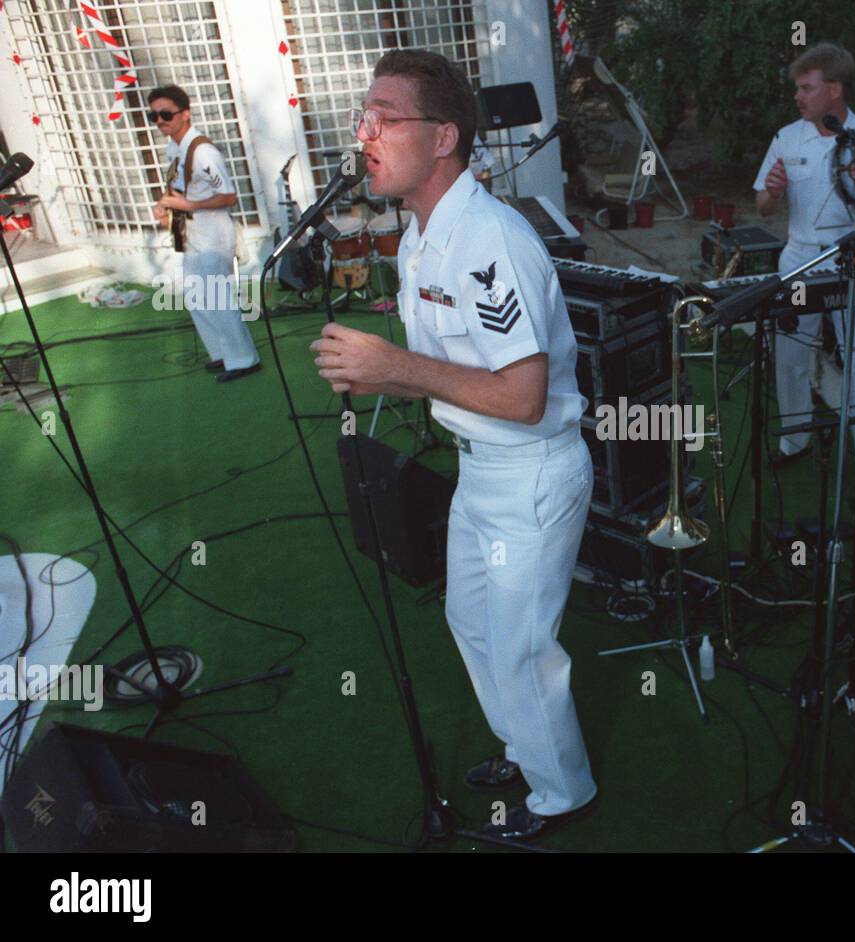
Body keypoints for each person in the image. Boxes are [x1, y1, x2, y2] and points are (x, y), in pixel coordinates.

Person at [309, 49, 597, 840]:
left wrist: (394, 365)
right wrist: (384, 377)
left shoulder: (489, 239)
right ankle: (523, 744)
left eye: (383, 118)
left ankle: (560, 793)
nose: (363, 135)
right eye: (363, 117)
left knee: (519, 648)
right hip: (480, 468)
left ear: (443, 139)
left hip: (530, 470)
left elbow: (524, 395)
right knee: (471, 621)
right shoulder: (420, 238)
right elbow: (449, 372)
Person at [753, 42, 855, 466]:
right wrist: (773, 192)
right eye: (797, 89)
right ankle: (794, 442)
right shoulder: (786, 137)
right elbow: (762, 205)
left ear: (834, 89)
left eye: (807, 88)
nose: (798, 97)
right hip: (799, 258)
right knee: (789, 354)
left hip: (852, 260)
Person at [149, 85, 260, 383]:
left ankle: (244, 359)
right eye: (154, 115)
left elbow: (228, 195)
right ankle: (223, 354)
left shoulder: (204, 152)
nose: (160, 121)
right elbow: (177, 183)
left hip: (212, 230)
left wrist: (189, 204)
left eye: (166, 114)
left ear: (185, 113)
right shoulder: (174, 146)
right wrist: (164, 204)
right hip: (190, 229)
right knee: (195, 295)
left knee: (218, 297)